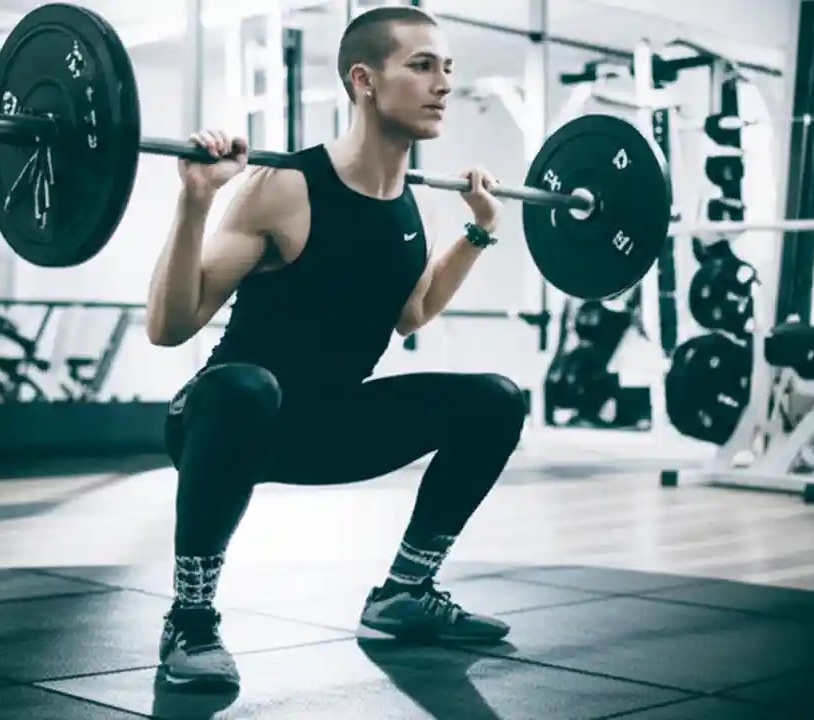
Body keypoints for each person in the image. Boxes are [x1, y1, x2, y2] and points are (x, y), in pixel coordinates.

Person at [144, 6, 527, 691]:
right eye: (421, 65)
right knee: (246, 386)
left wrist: (479, 231)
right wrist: (195, 201)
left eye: (447, 68)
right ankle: (190, 618)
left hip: (329, 427)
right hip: (225, 424)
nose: (442, 83)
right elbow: (169, 326)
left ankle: (405, 594)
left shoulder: (417, 203)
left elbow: (411, 314)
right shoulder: (285, 186)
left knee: (496, 400)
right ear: (365, 81)